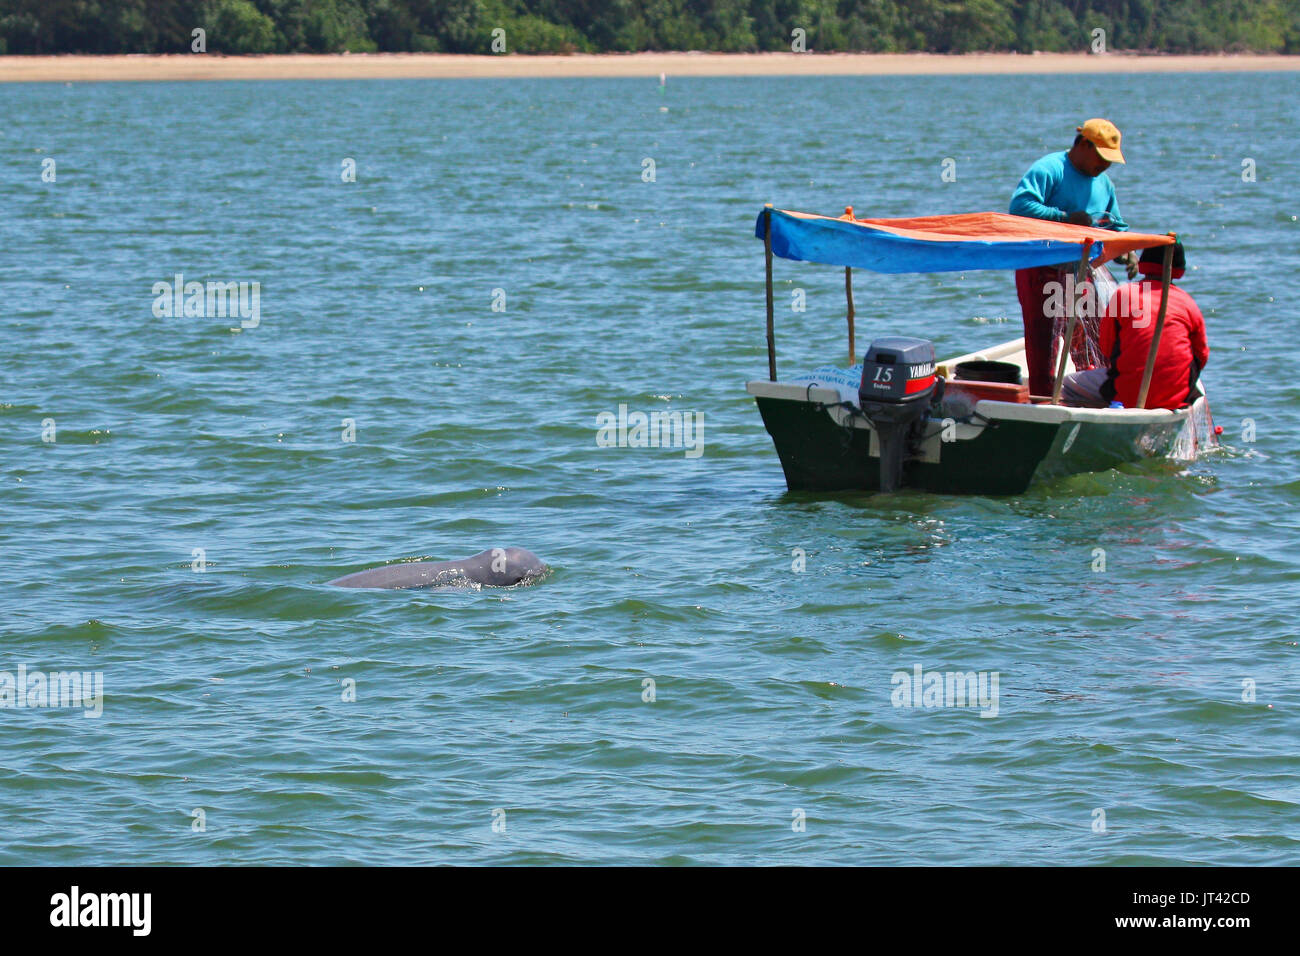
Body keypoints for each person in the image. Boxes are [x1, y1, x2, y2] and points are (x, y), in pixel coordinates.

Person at [1010, 119, 1137, 396]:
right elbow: (1019, 207)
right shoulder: (1050, 169)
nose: (1105, 165)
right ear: (1082, 144)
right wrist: (1065, 218)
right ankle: (1042, 400)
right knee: (1043, 339)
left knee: (1093, 335)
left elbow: (1116, 226)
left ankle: (1100, 394)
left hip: (1080, 272)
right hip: (1040, 267)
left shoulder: (1104, 184)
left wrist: (1126, 251)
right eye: (1101, 157)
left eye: (1110, 161)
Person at [1062, 241, 1209, 409]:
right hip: (1176, 396)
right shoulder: (1188, 303)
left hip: (1127, 395)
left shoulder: (1124, 293)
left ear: (1143, 264)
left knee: (1067, 384)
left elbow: (1107, 347)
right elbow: (1201, 355)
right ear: (1179, 270)